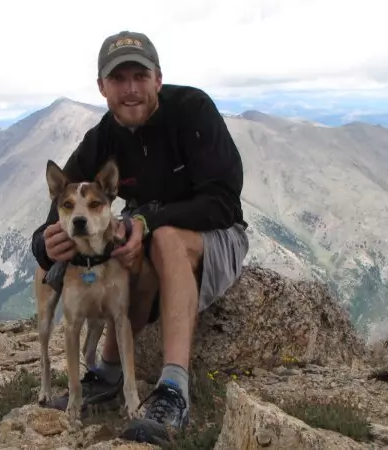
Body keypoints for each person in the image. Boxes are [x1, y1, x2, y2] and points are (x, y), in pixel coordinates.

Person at [31, 30, 249, 444]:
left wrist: (148, 220)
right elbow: (62, 203)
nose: (130, 89)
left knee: (163, 237)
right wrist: (44, 243)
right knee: (124, 252)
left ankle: (173, 390)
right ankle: (110, 372)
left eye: (140, 75)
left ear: (158, 79)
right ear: (102, 87)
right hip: (150, 233)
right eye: (118, 79)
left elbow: (224, 202)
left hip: (217, 235)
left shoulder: (193, 111)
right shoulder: (104, 137)